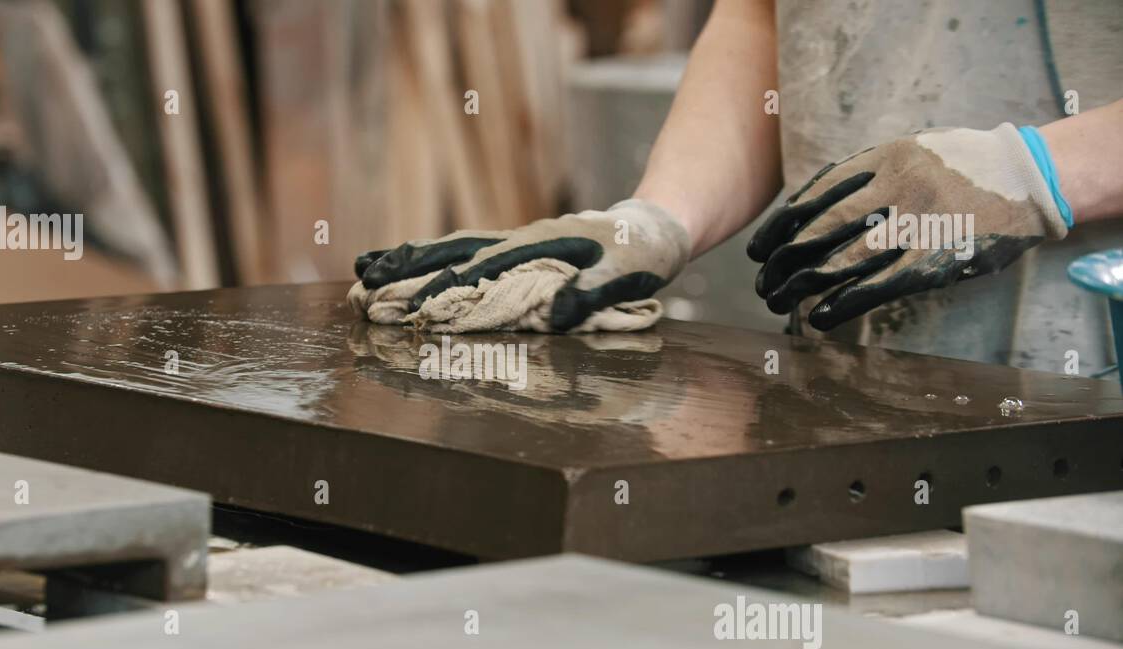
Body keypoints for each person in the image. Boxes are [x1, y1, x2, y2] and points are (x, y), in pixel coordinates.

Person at [354, 0, 1123, 374]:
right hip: (859, 370)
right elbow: (769, 21)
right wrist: (657, 218)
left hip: (1085, 362)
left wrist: (1039, 175)